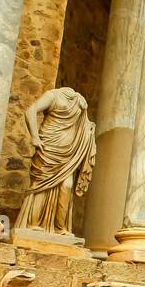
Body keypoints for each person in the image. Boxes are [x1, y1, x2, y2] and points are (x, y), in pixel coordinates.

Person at [16, 87, 96, 235]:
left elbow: (83, 126)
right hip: (48, 146)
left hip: (68, 153)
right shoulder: (52, 95)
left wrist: (89, 132)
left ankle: (61, 228)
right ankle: (34, 224)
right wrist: (35, 137)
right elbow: (31, 111)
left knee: (67, 186)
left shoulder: (80, 101)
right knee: (42, 185)